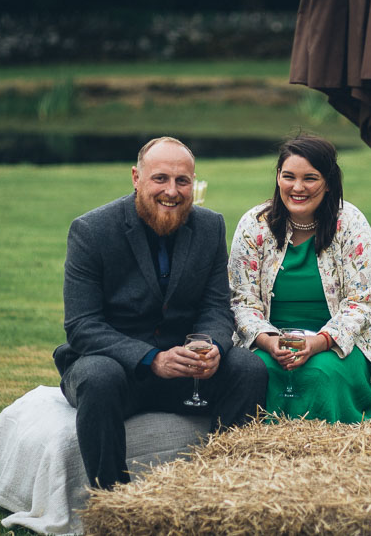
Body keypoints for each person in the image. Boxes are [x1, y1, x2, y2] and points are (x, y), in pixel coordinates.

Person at [53, 136, 267, 488]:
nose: (172, 190)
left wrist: (211, 346)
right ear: (136, 178)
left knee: (248, 367)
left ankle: (224, 488)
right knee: (98, 375)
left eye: (183, 180)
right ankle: (112, 502)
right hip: (117, 372)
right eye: (160, 178)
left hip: (187, 372)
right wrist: (151, 358)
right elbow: (82, 326)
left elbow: (216, 307)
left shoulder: (210, 227)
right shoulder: (91, 231)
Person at [228, 135, 371, 424]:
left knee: (318, 372)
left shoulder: (351, 224)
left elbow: (361, 302)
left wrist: (320, 342)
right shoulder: (253, 225)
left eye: (310, 178)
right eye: (288, 177)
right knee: (260, 371)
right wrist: (270, 341)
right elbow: (241, 300)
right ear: (278, 178)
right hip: (270, 339)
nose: (297, 187)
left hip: (340, 343)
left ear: (329, 182)